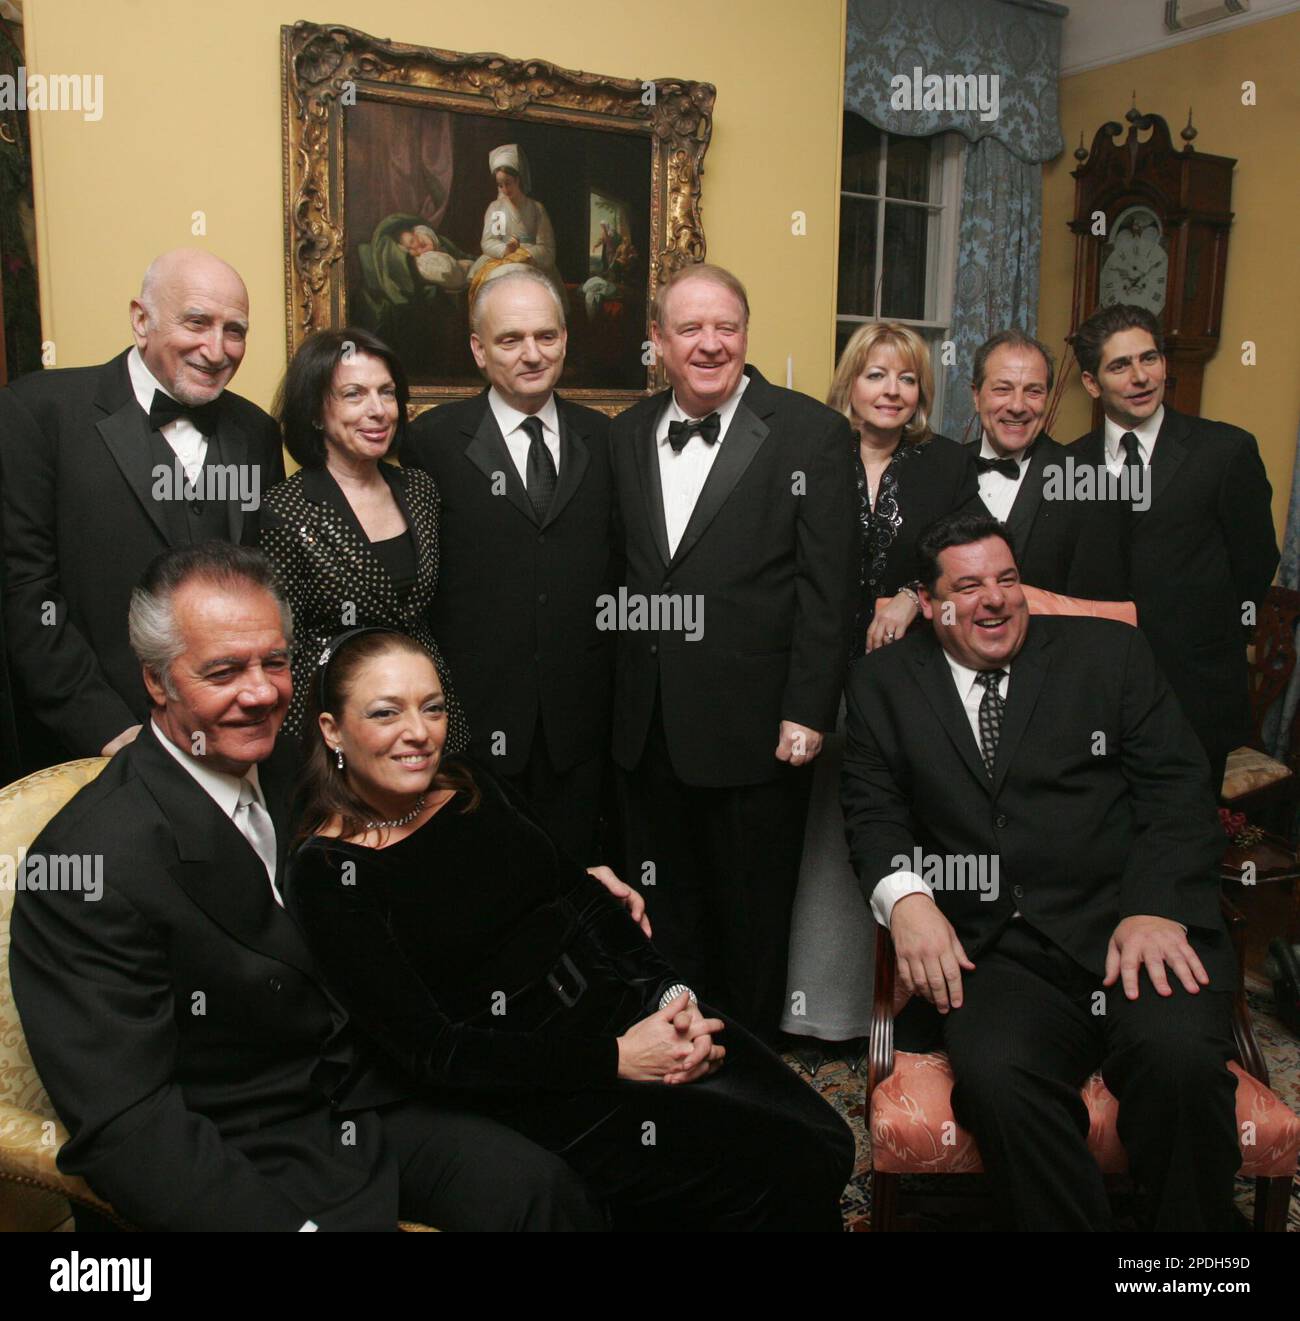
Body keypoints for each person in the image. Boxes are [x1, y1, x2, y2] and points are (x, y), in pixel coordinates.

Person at [9, 543, 599, 1231]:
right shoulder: (90, 863)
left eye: (276, 661)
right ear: (157, 681)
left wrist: (566, 886)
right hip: (245, 1149)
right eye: (223, 670)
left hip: (369, 1096)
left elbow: (427, 855)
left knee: (544, 1191)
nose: (261, 693)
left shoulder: (295, 767)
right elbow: (132, 1124)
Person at [286, 626, 854, 1231]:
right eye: (385, 713)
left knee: (824, 1138)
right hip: (541, 1081)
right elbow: (436, 1051)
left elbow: (579, 896)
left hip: (624, 1005)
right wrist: (618, 1059)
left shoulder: (465, 784)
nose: (419, 733)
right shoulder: (329, 873)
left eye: (432, 708)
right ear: (331, 730)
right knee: (777, 1168)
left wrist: (670, 995)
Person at [841, 510, 1240, 1231]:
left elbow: (1179, 790)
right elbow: (874, 815)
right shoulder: (882, 684)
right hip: (1000, 955)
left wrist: (1155, 907)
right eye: (969, 585)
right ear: (931, 605)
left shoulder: (1110, 653)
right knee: (997, 1081)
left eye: (1008, 578)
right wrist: (906, 900)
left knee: (1177, 1062)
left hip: (1129, 931)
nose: (995, 598)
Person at [610, 263, 859, 1041]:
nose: (711, 344)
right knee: (662, 910)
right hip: (646, 725)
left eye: (727, 327)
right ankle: (680, 1054)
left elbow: (833, 586)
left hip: (757, 729)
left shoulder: (812, 433)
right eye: (690, 329)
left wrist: (807, 708)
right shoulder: (624, 432)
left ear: (746, 334)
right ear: (657, 341)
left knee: (749, 918)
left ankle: (747, 1066)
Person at [0, 248, 284, 769]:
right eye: (197, 322)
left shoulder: (258, 432)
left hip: (229, 746)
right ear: (141, 320)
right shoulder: (40, 412)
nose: (216, 349)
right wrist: (107, 730)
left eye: (235, 330)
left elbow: (257, 590)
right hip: (91, 748)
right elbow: (26, 593)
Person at [782, 323, 977, 1057]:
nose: (891, 390)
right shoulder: (810, 451)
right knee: (819, 836)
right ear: (850, 384)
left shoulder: (948, 463)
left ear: (922, 392)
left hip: (908, 679)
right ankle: (813, 1009)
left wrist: (907, 593)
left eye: (906, 378)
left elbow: (965, 554)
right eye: (875, 375)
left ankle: (901, 1014)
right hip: (812, 673)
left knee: (894, 827)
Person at [404, 267, 617, 863]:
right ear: (478, 349)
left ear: (566, 340)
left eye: (546, 337)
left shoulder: (604, 440)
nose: (532, 354)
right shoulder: (433, 441)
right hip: (470, 722)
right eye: (510, 339)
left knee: (573, 896)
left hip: (578, 729)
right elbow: (420, 585)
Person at [1068, 304, 1278, 789]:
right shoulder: (1071, 462)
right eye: (1120, 365)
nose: (1141, 377)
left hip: (1196, 693)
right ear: (1092, 383)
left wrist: (1203, 630)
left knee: (1185, 843)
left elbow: (1256, 560)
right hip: (1095, 694)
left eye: (1150, 358)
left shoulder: (1225, 451)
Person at [258, 327, 467, 746]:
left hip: (427, 709)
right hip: (340, 722)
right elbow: (283, 646)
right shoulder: (285, 510)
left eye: (386, 393)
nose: (378, 411)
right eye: (354, 395)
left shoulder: (419, 489)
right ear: (316, 412)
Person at [968, 329, 1128, 599]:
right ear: (976, 396)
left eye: (1033, 391)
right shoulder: (944, 467)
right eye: (1003, 389)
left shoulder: (1092, 484)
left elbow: (1096, 608)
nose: (1017, 406)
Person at [467, 144, 565, 311]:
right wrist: (506, 249)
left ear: (518, 179)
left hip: (531, 259)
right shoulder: (496, 208)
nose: (505, 189)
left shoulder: (536, 209)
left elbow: (547, 248)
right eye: (500, 185)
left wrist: (524, 254)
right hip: (501, 257)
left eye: (508, 183)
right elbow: (489, 241)